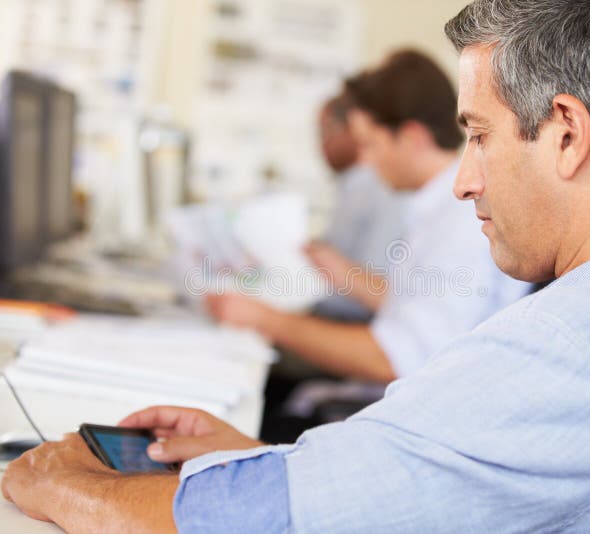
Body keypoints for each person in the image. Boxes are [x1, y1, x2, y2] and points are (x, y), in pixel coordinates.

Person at [1, 0, 590, 531]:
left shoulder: (569, 349)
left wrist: (64, 483)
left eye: (478, 136)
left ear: (567, 135)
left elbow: (255, 523)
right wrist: (262, 456)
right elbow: (471, 471)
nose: (464, 180)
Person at [207, 50, 529, 383]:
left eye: (371, 144)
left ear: (413, 138)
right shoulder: (437, 211)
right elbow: (415, 305)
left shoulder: (462, 225)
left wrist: (265, 320)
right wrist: (342, 272)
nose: (366, 161)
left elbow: (396, 358)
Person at [313, 93, 408, 322]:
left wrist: (323, 260)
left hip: (356, 321)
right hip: (332, 309)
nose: (322, 144)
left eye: (326, 132)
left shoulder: (376, 186)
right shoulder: (350, 185)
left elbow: (379, 289)